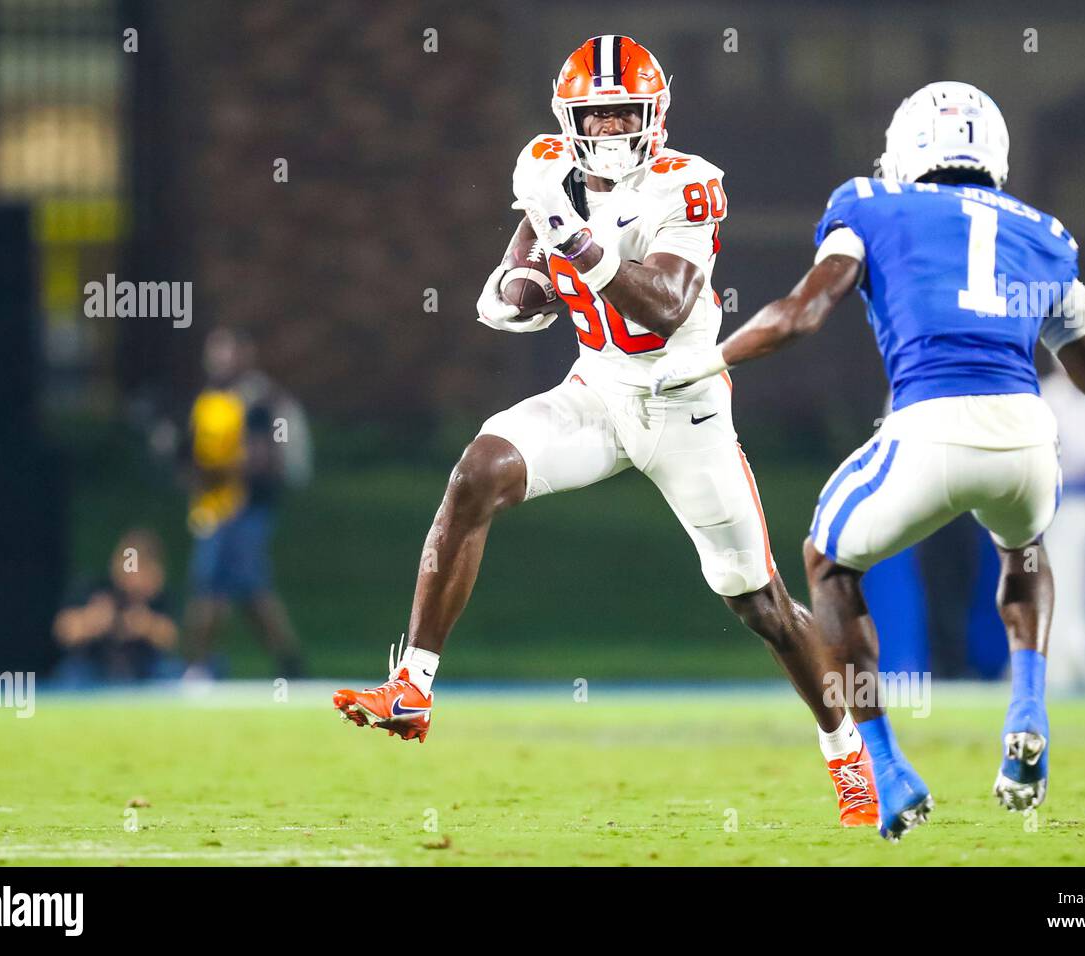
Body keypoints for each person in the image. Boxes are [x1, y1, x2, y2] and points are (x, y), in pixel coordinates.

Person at [335, 35, 878, 827]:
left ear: (655, 115)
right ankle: (413, 685)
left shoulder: (688, 183)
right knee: (476, 472)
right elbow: (523, 275)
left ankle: (847, 754)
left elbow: (665, 307)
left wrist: (572, 239)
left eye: (626, 111)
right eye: (598, 113)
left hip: (685, 407)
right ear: (570, 119)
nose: (613, 126)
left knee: (760, 603)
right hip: (597, 390)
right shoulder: (548, 171)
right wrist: (517, 285)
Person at [650, 82, 1085, 841]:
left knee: (828, 564)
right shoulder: (1044, 236)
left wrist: (707, 361)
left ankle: (887, 767)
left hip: (931, 424)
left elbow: (800, 314)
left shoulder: (870, 204)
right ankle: (1028, 708)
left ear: (908, 149)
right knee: (1023, 545)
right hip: (1028, 439)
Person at [182, 327, 307, 679]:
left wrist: (215, 471)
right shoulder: (207, 400)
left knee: (216, 587)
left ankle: (199, 665)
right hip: (212, 509)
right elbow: (190, 456)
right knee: (242, 589)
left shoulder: (258, 400)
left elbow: (262, 459)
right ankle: (287, 663)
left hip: (245, 507)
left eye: (228, 352)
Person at [53, 529, 180, 685]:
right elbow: (63, 631)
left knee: (170, 670)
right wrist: (92, 621)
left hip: (143, 670)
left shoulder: (158, 599)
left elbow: (173, 639)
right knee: (71, 671)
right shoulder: (95, 587)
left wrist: (146, 626)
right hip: (94, 668)